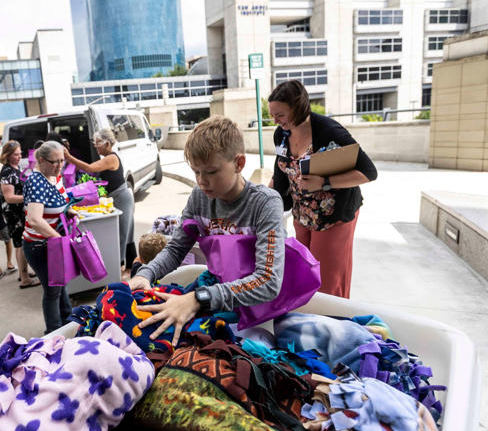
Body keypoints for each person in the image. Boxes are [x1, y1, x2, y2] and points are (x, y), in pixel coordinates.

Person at [127, 116, 286, 347]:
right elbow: (175, 249)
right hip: (216, 298)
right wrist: (145, 274)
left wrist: (199, 299)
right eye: (196, 172)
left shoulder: (265, 203)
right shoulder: (199, 198)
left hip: (260, 314)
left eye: (211, 171)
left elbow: (268, 281)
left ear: (239, 163)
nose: (202, 181)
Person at [268, 80, 377, 298]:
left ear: (298, 108)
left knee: (328, 285)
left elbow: (368, 172)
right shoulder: (281, 134)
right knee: (305, 276)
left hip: (333, 217)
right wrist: (263, 198)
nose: (275, 120)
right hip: (302, 215)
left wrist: (324, 182)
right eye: (272, 115)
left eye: (280, 114)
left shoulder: (329, 131)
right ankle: (310, 323)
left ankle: (335, 326)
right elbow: (280, 173)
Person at [62, 128, 135, 275]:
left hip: (122, 196)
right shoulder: (106, 158)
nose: (96, 146)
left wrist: (69, 157)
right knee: (124, 231)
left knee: (124, 232)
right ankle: (127, 266)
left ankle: (124, 267)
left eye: (98, 144)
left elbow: (90, 168)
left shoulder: (111, 158)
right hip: (116, 196)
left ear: (107, 144)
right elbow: (91, 171)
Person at [22, 140, 74, 334]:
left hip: (52, 242)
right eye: (55, 162)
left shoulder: (54, 175)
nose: (60, 165)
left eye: (62, 161)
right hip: (38, 246)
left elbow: (60, 201)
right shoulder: (36, 181)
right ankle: (54, 333)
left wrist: (68, 212)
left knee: (61, 283)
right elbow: (35, 220)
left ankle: (69, 322)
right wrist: (60, 239)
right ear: (41, 161)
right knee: (52, 290)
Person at [0, 141, 41, 289]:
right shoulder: (6, 172)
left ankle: (24, 273)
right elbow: (9, 197)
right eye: (15, 154)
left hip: (20, 212)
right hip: (14, 214)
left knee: (20, 244)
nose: (19, 156)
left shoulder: (15, 167)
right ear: (7, 156)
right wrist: (28, 196)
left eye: (20, 153)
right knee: (21, 244)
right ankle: (24, 278)